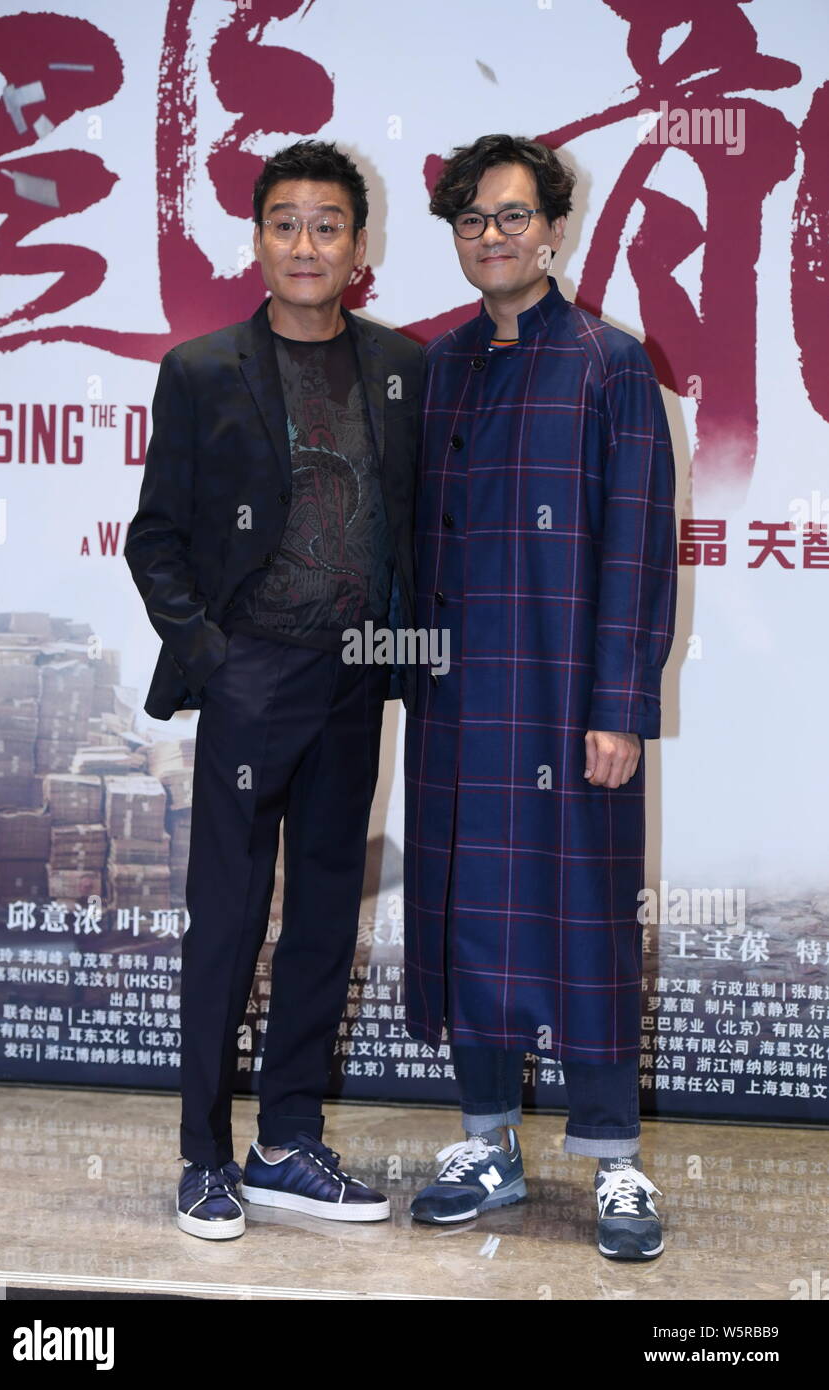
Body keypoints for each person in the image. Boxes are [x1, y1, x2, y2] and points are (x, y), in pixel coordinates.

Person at [125, 140, 423, 1238]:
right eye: (285, 223)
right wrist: (214, 655)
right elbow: (154, 539)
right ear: (256, 240)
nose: (306, 243)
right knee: (228, 920)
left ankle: (285, 1142)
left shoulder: (402, 368)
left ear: (358, 245)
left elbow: (413, 526)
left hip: (356, 680)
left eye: (328, 224)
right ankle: (203, 1154)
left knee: (323, 923)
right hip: (252, 677)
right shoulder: (202, 369)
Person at [403, 133, 677, 1260]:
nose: (490, 237)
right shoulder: (435, 368)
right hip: (462, 694)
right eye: (470, 220)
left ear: (552, 228)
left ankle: (612, 1157)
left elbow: (636, 548)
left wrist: (618, 705)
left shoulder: (609, 362)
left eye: (510, 216)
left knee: (583, 925)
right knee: (469, 914)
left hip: (569, 701)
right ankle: (486, 1144)